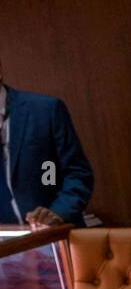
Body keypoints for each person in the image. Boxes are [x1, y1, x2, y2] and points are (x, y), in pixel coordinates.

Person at [0, 56, 93, 228]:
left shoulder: (45, 110)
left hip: (57, 238)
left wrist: (58, 213)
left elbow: (77, 174)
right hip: (7, 249)